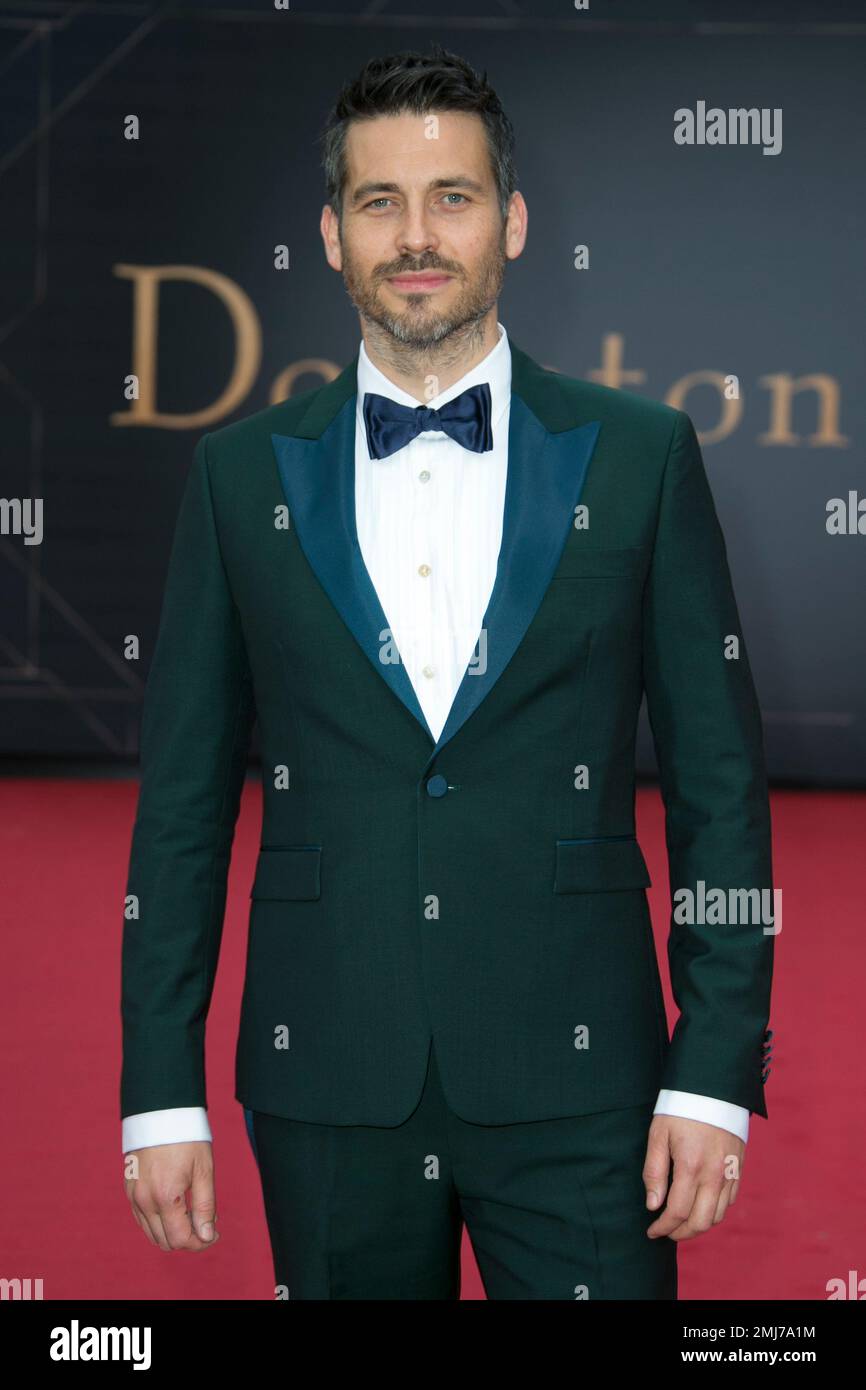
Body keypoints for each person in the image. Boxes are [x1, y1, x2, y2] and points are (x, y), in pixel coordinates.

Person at [121, 44, 774, 1300]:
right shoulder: (239, 475)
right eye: (380, 201)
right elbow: (181, 812)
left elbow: (720, 793)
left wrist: (715, 1065)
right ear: (330, 233)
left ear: (512, 221)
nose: (416, 236)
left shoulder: (640, 458)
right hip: (327, 1080)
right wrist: (158, 1088)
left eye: (452, 197)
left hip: (584, 1086)